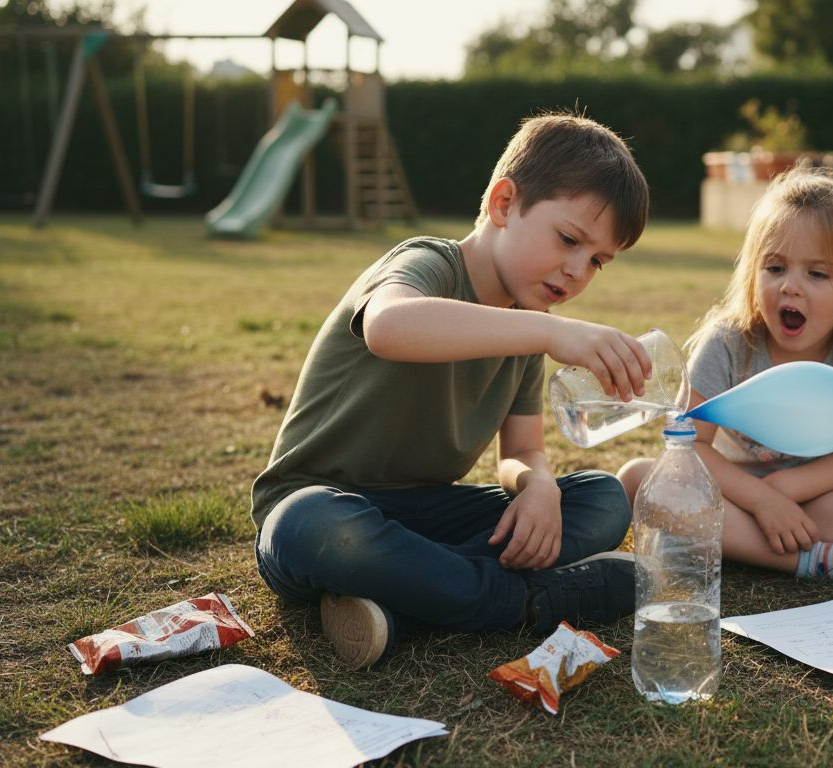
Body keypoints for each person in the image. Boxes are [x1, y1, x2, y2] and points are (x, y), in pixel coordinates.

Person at [252, 113, 652, 669]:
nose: (577, 271)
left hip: (426, 519)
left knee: (603, 498)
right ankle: (529, 601)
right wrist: (554, 331)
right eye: (568, 239)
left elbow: (519, 453)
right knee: (307, 525)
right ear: (504, 203)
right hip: (326, 510)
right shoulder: (429, 264)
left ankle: (405, 606)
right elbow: (388, 327)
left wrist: (539, 486)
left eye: (597, 261)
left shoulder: (528, 325)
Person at [619, 167, 833, 588]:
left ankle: (730, 539)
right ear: (753, 272)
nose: (790, 287)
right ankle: (816, 561)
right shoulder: (727, 343)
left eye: (817, 274)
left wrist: (786, 490)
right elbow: (688, 445)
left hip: (812, 498)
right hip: (727, 489)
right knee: (637, 479)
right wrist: (762, 500)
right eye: (775, 267)